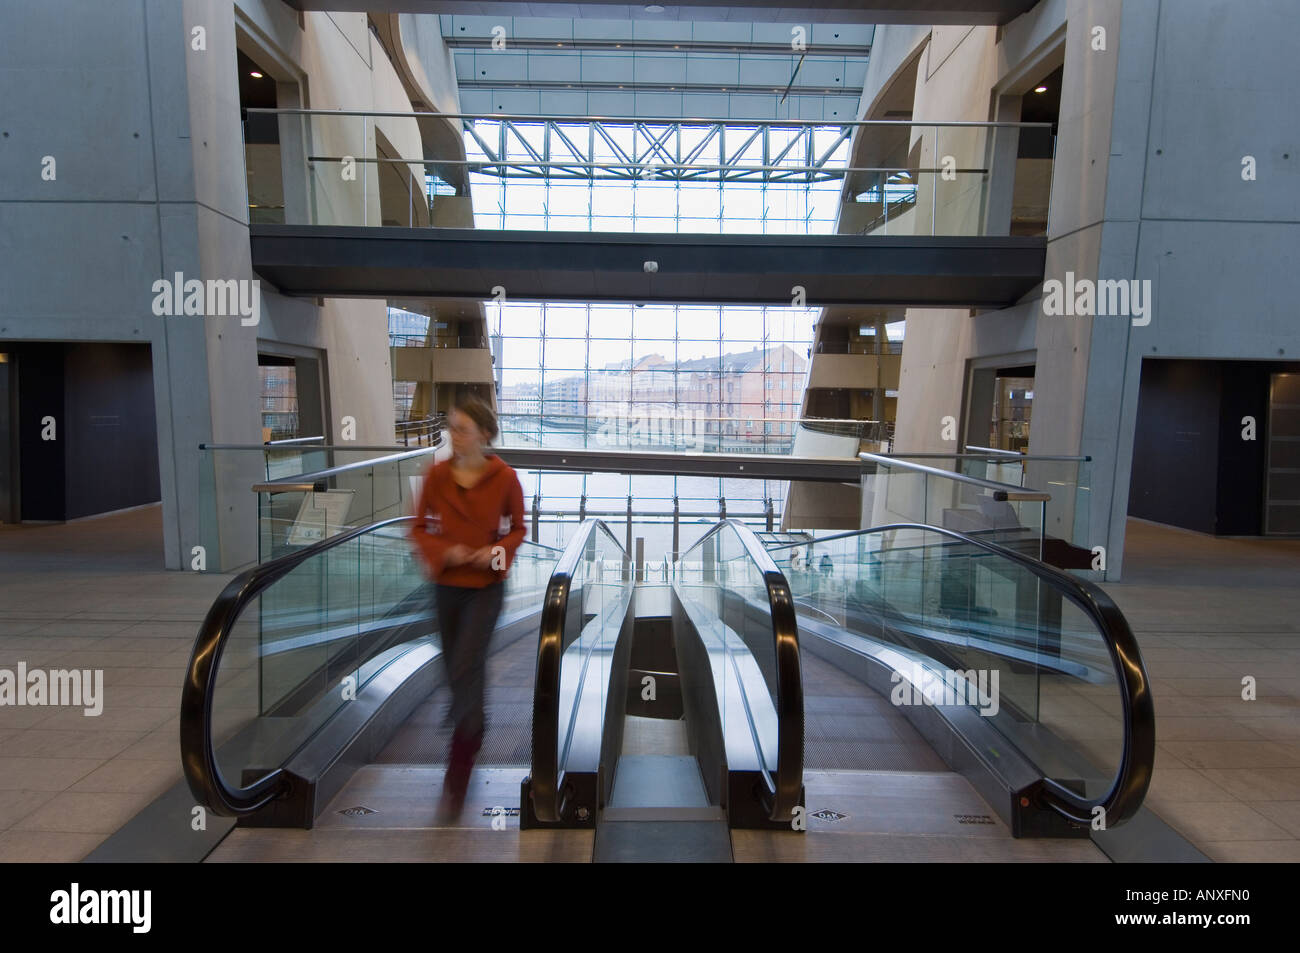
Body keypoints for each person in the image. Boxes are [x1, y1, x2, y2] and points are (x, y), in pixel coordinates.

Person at [409, 396, 525, 823]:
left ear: (484, 433)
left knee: (467, 663)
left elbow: (518, 530)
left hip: (484, 588)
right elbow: (419, 527)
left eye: (461, 429)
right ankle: (468, 719)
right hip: (446, 584)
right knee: (453, 665)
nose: (453, 436)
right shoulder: (438, 475)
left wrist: (492, 556)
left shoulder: (504, 477)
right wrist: (449, 552)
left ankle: (463, 752)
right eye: (451, 429)